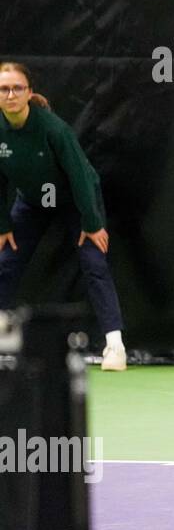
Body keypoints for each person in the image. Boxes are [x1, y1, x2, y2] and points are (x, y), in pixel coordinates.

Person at [0, 62, 128, 371]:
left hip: (76, 199)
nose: (11, 94)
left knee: (94, 263)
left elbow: (80, 175)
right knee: (6, 262)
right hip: (32, 202)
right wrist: (3, 225)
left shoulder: (54, 129)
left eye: (17, 88)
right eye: (4, 89)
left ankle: (115, 346)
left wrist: (92, 223)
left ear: (29, 93)